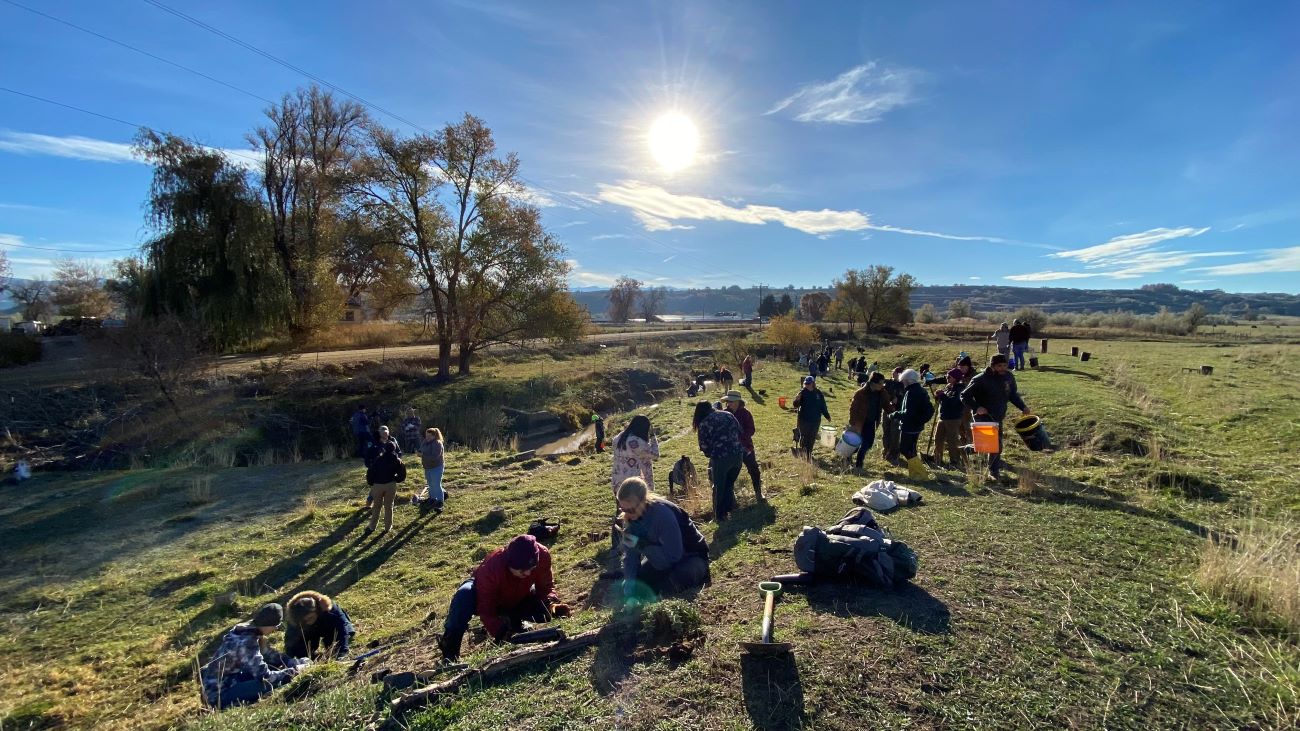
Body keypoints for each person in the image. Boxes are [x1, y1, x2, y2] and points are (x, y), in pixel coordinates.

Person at [438, 534, 569, 662]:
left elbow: (545, 586)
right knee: (464, 596)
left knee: (543, 614)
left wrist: (551, 604)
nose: (528, 573)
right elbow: (486, 608)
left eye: (531, 569)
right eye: (522, 570)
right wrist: (500, 632)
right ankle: (450, 647)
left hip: (519, 595)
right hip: (487, 598)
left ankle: (513, 621)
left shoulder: (543, 555)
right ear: (509, 563)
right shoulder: (491, 569)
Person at [616, 477, 710, 602]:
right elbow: (630, 558)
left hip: (689, 557)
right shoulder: (630, 519)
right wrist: (630, 589)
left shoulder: (663, 515)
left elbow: (673, 556)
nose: (626, 514)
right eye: (623, 509)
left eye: (631, 510)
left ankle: (660, 594)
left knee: (674, 582)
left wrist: (642, 546)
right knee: (635, 583)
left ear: (643, 501)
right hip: (659, 558)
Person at [200, 603, 307, 710]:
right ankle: (217, 706)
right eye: (276, 626)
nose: (275, 630)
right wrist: (296, 671)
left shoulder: (243, 631)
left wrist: (289, 661)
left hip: (223, 682)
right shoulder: (247, 642)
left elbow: (264, 654)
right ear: (269, 625)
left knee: (269, 668)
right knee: (269, 685)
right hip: (219, 694)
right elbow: (266, 677)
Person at [961, 353, 1032, 480]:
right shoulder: (980, 379)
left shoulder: (1008, 377)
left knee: (993, 445)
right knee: (992, 445)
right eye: (1000, 366)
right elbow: (964, 396)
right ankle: (992, 471)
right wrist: (977, 407)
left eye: (1005, 365)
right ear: (992, 366)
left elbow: (1013, 395)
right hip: (982, 416)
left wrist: (1023, 407)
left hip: (998, 416)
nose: (1003, 368)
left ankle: (971, 454)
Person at [692, 400, 743, 522]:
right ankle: (730, 510)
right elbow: (739, 431)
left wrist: (711, 453)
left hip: (721, 458)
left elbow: (704, 446)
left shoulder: (704, 423)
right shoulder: (728, 414)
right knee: (729, 484)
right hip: (737, 455)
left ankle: (719, 516)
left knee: (719, 487)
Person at [284, 591, 355, 660]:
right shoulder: (295, 619)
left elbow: (342, 628)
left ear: (317, 610)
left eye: (310, 618)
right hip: (308, 631)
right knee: (301, 652)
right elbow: (290, 642)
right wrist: (291, 659)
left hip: (327, 625)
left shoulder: (330, 609)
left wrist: (342, 653)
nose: (308, 622)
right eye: (304, 620)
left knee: (338, 645)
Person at [722, 390, 763, 501]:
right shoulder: (724, 413)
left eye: (730, 401)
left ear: (737, 401)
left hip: (746, 447)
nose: (728, 403)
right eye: (727, 401)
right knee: (730, 473)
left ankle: (758, 493)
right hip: (730, 449)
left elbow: (751, 429)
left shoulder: (746, 413)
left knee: (754, 470)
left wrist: (741, 438)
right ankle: (732, 498)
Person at [894, 369, 935, 480]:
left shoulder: (911, 392)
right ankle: (915, 474)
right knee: (911, 449)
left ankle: (920, 474)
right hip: (917, 425)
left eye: (903, 381)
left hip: (909, 425)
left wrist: (895, 414)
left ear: (908, 381)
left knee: (905, 449)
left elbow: (908, 412)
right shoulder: (921, 390)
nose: (902, 383)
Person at [847, 371, 888, 470]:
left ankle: (850, 456)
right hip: (860, 422)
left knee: (868, 443)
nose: (883, 385)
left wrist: (895, 413)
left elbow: (887, 405)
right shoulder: (860, 393)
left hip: (871, 422)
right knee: (860, 443)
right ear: (874, 383)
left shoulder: (882, 393)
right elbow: (853, 409)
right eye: (881, 383)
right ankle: (857, 463)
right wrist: (853, 423)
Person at [611, 415, 660, 496]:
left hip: (617, 481)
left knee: (621, 506)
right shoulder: (636, 442)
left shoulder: (618, 437)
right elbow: (656, 454)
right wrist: (652, 436)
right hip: (634, 485)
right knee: (637, 508)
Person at [365, 441, 406, 533]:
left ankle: (372, 527)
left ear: (384, 448)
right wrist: (396, 479)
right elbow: (402, 474)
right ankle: (388, 527)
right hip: (391, 485)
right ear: (394, 449)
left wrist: (371, 483)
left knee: (376, 506)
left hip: (378, 485)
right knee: (389, 506)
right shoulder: (397, 460)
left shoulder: (378, 459)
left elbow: (370, 472)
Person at [792, 375, 832, 460]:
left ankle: (809, 453)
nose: (807, 385)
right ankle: (803, 452)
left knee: (812, 437)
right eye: (806, 384)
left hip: (816, 420)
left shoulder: (818, 393)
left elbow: (823, 406)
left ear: (813, 383)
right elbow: (795, 405)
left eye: (809, 383)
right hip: (804, 420)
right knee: (804, 437)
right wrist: (797, 400)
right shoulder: (802, 393)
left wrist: (827, 416)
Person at [932, 369, 966, 468]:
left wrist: (942, 396)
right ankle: (937, 459)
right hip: (943, 417)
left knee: (952, 441)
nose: (947, 378)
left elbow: (953, 403)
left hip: (953, 418)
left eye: (949, 376)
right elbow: (943, 401)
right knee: (938, 439)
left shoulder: (960, 389)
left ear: (955, 378)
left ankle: (954, 461)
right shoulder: (948, 387)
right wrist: (938, 396)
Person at [363, 425, 402, 509]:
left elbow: (399, 452)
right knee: (376, 486)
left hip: (390, 469)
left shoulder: (393, 440)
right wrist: (370, 466)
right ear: (379, 432)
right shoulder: (373, 442)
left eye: (386, 430)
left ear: (388, 432)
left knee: (389, 486)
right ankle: (369, 502)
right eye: (382, 431)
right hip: (377, 469)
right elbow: (367, 456)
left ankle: (389, 504)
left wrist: (396, 462)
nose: (384, 432)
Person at [413, 427, 447, 511]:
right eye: (426, 436)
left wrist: (422, 455)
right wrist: (418, 452)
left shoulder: (437, 443)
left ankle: (440, 502)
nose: (427, 438)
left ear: (434, 436)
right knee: (430, 484)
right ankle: (432, 499)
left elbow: (434, 457)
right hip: (427, 467)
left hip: (436, 467)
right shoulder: (425, 442)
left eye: (429, 436)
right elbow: (421, 449)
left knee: (436, 484)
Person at [881, 367, 906, 465]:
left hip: (898, 411)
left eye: (895, 372)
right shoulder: (888, 382)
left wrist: (898, 399)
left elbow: (904, 397)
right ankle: (886, 450)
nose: (893, 373)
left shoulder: (903, 384)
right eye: (893, 371)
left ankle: (894, 453)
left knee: (895, 433)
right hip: (887, 410)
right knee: (886, 431)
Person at [955, 354, 976, 443]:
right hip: (959, 404)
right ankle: (963, 441)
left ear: (968, 367)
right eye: (959, 367)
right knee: (960, 425)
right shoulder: (959, 376)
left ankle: (972, 443)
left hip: (969, 404)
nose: (961, 369)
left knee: (968, 425)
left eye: (963, 367)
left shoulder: (974, 377)